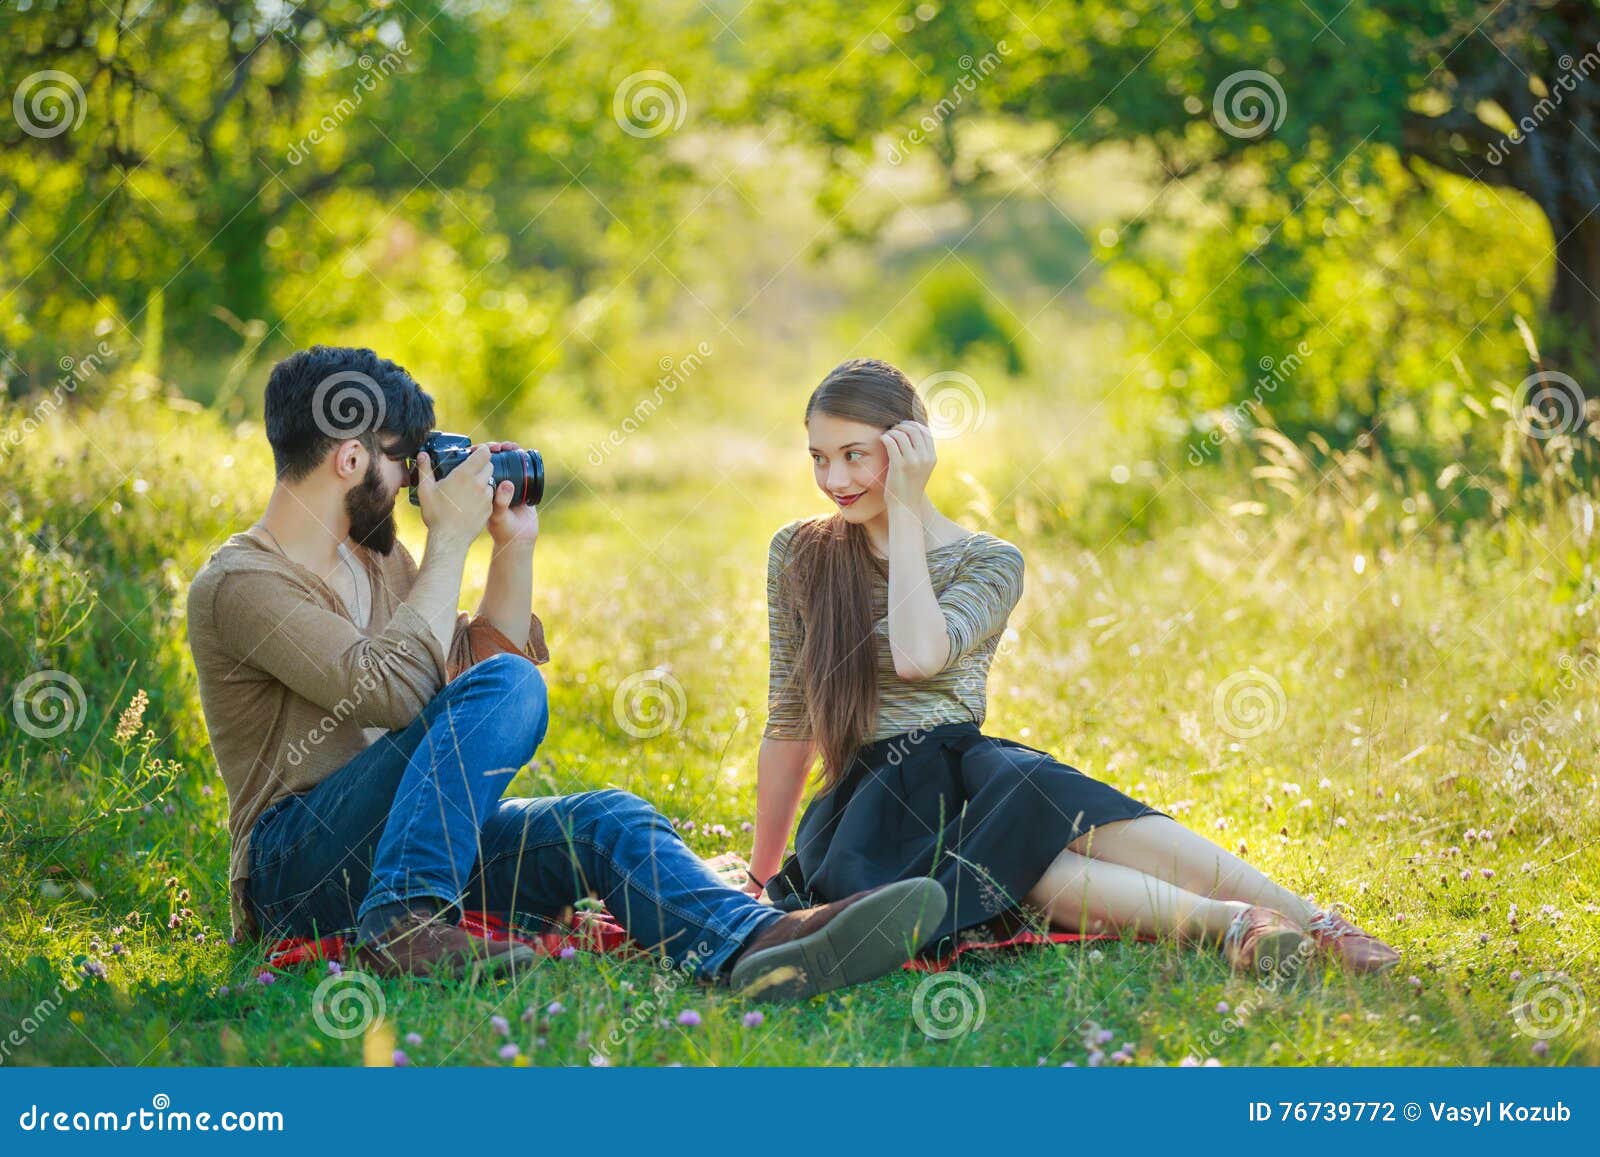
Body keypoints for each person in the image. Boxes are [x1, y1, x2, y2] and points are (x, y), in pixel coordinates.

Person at [185, 345, 945, 998]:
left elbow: (474, 675)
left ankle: (762, 941)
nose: (419, 479)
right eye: (402, 457)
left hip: (405, 841)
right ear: (351, 459)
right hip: (296, 872)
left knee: (604, 815)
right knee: (513, 688)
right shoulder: (243, 585)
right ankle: (404, 924)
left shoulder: (373, 557)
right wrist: (448, 544)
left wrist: (512, 547)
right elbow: (387, 686)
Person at [742, 357, 1401, 977]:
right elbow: (793, 717)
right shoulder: (800, 553)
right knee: (1031, 868)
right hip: (872, 806)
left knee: (1075, 808)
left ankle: (1316, 922)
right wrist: (760, 874)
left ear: (912, 445)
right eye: (820, 459)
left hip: (968, 766)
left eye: (854, 455)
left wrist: (908, 512)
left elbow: (923, 652)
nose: (834, 481)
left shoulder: (990, 562)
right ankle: (1234, 924)